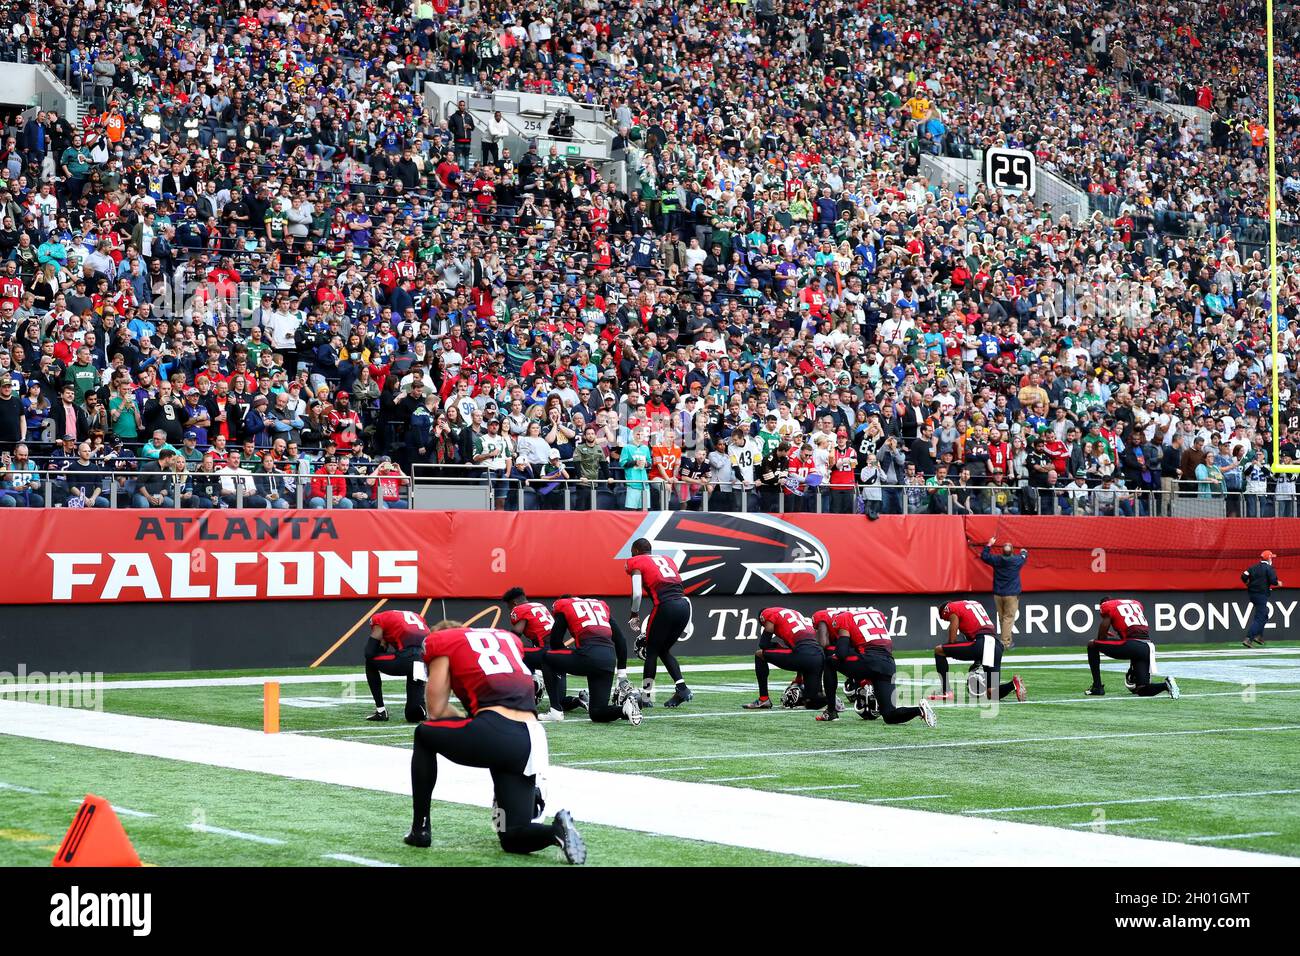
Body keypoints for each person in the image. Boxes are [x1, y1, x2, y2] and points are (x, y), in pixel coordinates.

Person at [406, 620, 587, 864]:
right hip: (530, 738)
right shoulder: (505, 639)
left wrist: (466, 722)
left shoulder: (443, 641)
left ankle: (420, 829)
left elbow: (436, 710)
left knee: (424, 734)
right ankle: (556, 830)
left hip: (494, 730)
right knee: (512, 837)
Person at [813, 607, 936, 727]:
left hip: (869, 660)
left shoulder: (844, 618)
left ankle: (831, 711)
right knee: (889, 716)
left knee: (829, 662)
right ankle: (919, 710)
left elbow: (841, 654)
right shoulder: (875, 615)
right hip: (888, 664)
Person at [538, 596, 641, 725]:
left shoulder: (564, 606)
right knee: (597, 712)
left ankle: (555, 710)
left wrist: (566, 656)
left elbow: (555, 642)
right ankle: (625, 709)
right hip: (608, 659)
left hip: (587, 656)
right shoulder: (601, 605)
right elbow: (621, 640)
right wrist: (621, 674)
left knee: (546, 657)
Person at [625, 537, 693, 708]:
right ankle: (682, 688)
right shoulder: (667, 559)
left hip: (666, 606)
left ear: (636, 550)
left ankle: (646, 697)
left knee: (652, 651)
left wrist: (634, 613)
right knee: (663, 650)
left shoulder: (636, 561)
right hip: (684, 605)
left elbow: (637, 594)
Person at [931, 600, 1026, 703]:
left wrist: (952, 646)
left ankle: (946, 691)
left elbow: (952, 640)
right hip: (996, 645)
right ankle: (1013, 684)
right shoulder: (973, 603)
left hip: (983, 643)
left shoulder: (950, 607)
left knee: (939, 650)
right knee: (992, 693)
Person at [1086, 598, 1179, 698]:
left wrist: (1105, 633)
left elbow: (1101, 638)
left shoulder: (1108, 606)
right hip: (1147, 647)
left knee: (1092, 644)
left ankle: (1097, 686)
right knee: (1142, 689)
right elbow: (1133, 630)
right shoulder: (1135, 603)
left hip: (1132, 645)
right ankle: (1166, 685)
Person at [742, 607, 826, 710]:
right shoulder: (795, 613)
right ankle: (832, 700)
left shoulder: (768, 613)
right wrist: (798, 679)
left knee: (759, 654)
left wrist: (776, 646)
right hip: (819, 656)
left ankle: (763, 699)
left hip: (803, 655)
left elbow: (763, 644)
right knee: (813, 702)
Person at [363, 609, 430, 723]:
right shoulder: (417, 617)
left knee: (370, 661)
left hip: (407, 659)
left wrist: (383, 644)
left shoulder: (379, 619)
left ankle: (381, 711)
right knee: (413, 716)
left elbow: (369, 652)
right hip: (422, 662)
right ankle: (421, 708)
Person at [503, 587, 557, 706]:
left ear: (514, 603)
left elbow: (515, 635)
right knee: (560, 700)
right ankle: (578, 700)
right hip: (558, 652)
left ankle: (533, 680)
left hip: (545, 652)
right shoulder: (539, 605)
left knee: (510, 652)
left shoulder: (519, 609)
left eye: (510, 607)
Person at [980, 536, 1027, 649]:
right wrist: (1023, 551)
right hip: (1011, 595)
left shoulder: (997, 560)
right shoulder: (1016, 560)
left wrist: (989, 544)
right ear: (1012, 551)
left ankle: (1007, 640)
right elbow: (1024, 556)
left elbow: (984, 556)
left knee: (1003, 618)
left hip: (998, 594)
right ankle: (1005, 643)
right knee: (1008, 618)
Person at [1241, 550, 1282, 648]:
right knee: (1259, 617)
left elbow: (1243, 576)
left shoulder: (1253, 567)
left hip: (1252, 594)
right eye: (1271, 557)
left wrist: (1247, 583)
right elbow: (1273, 580)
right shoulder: (1269, 568)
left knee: (1264, 615)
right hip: (1261, 595)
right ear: (1268, 558)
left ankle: (1259, 636)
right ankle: (1248, 639)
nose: (1271, 559)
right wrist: (1278, 583)